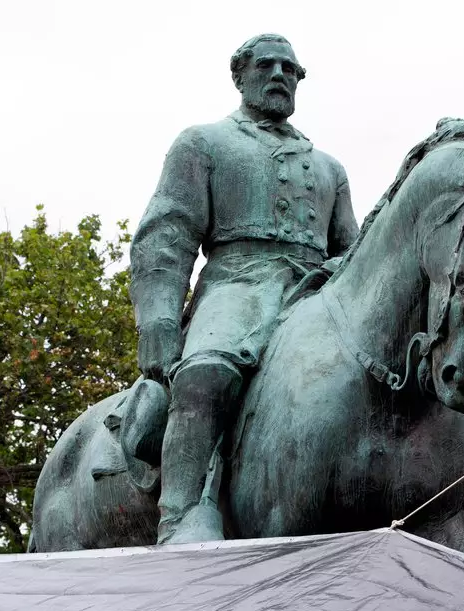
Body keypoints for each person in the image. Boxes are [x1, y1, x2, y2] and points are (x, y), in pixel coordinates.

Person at [129, 33, 359, 544]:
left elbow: (351, 250)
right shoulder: (204, 143)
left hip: (316, 290)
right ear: (240, 75)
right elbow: (165, 236)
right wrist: (160, 321)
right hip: (237, 285)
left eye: (290, 68)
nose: (280, 74)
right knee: (206, 374)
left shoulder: (328, 168)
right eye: (267, 65)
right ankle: (183, 517)